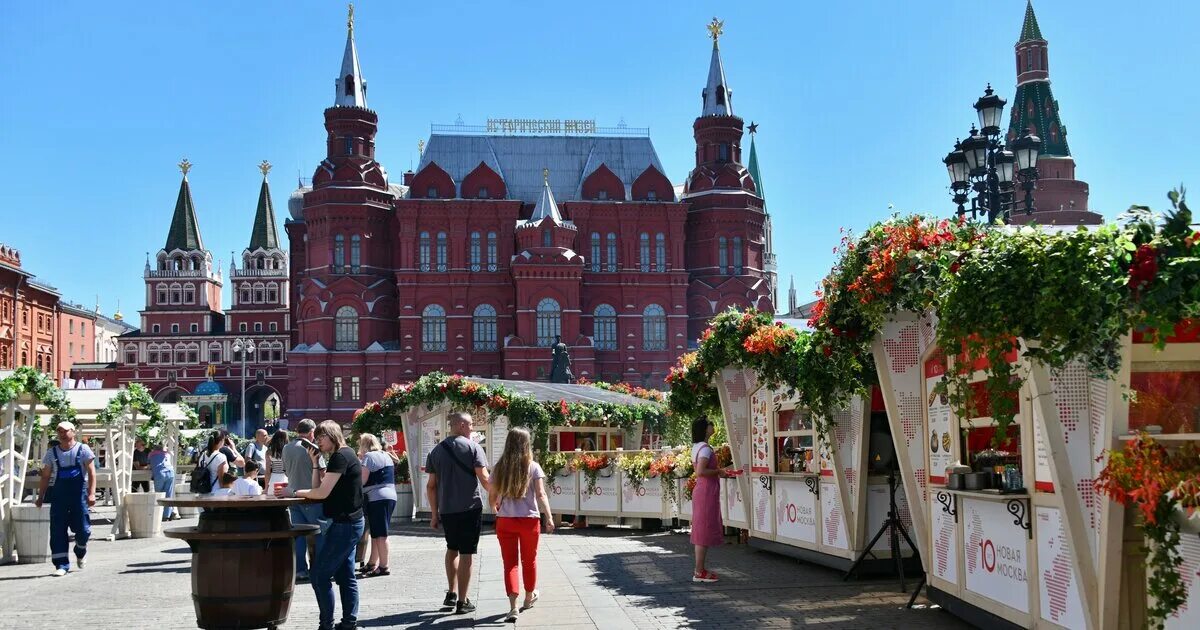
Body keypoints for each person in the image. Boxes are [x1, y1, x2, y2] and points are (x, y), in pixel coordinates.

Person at [278, 420, 364, 630]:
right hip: (347, 523)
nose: (318, 442)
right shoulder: (339, 456)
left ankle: (328, 624)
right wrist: (315, 462)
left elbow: (321, 493)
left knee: (319, 575)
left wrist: (293, 492)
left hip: (345, 524)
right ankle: (348, 623)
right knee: (345, 575)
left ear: (332, 435)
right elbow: (317, 487)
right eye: (316, 438)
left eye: (321, 438)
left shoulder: (341, 456)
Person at [426, 411, 491, 614]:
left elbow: (431, 486)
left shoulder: (436, 451)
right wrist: (500, 496)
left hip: (447, 510)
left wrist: (434, 514)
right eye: (470, 424)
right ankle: (463, 601)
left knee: (452, 548)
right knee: (467, 553)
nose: (472, 428)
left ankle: (451, 593)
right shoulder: (473, 448)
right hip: (469, 508)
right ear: (461, 425)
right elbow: (484, 479)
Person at [489, 427, 554, 622]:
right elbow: (541, 494)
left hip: (505, 521)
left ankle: (513, 607)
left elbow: (492, 495)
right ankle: (528, 597)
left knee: (510, 564)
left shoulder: (499, 467)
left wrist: (495, 509)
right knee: (529, 561)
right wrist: (549, 517)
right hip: (529, 521)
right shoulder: (533, 467)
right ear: (526, 445)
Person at [35, 421, 97, 576]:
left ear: (73, 432)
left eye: (65, 431)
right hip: (59, 496)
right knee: (57, 530)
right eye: (60, 431)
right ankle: (61, 565)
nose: (62, 434)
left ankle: (80, 549)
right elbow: (45, 476)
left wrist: (91, 493)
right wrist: (40, 496)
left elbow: (91, 473)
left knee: (83, 529)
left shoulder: (83, 449)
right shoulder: (51, 453)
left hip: (79, 496)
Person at [691, 416, 734, 583]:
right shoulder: (705, 449)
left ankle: (699, 569)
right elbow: (701, 471)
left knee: (702, 529)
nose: (712, 425)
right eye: (709, 424)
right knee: (703, 530)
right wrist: (719, 471)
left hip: (702, 490)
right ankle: (699, 571)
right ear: (704, 429)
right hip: (706, 491)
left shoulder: (697, 447)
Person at [283, 419, 326, 583]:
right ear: (311, 432)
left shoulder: (286, 448)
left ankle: (300, 570)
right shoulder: (312, 448)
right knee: (320, 533)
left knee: (298, 536)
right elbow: (323, 473)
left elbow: (285, 471)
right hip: (312, 497)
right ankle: (321, 568)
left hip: (294, 496)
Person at [357, 433, 397, 577]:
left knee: (380, 534)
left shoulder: (368, 457)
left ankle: (384, 566)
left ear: (364, 445)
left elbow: (362, 480)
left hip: (376, 497)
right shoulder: (386, 455)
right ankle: (372, 563)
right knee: (376, 532)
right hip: (390, 495)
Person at [148, 441, 178, 520]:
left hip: (160, 473)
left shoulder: (151, 454)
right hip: (170, 472)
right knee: (168, 494)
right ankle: (167, 515)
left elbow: (148, 465)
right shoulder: (166, 454)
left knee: (159, 495)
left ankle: (159, 514)